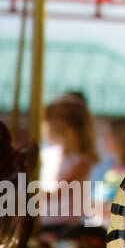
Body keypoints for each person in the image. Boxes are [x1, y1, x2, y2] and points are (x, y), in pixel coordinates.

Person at [39, 95, 99, 227]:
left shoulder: (82, 161)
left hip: (65, 225)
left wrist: (31, 195)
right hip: (45, 220)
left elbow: (62, 191)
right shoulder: (50, 154)